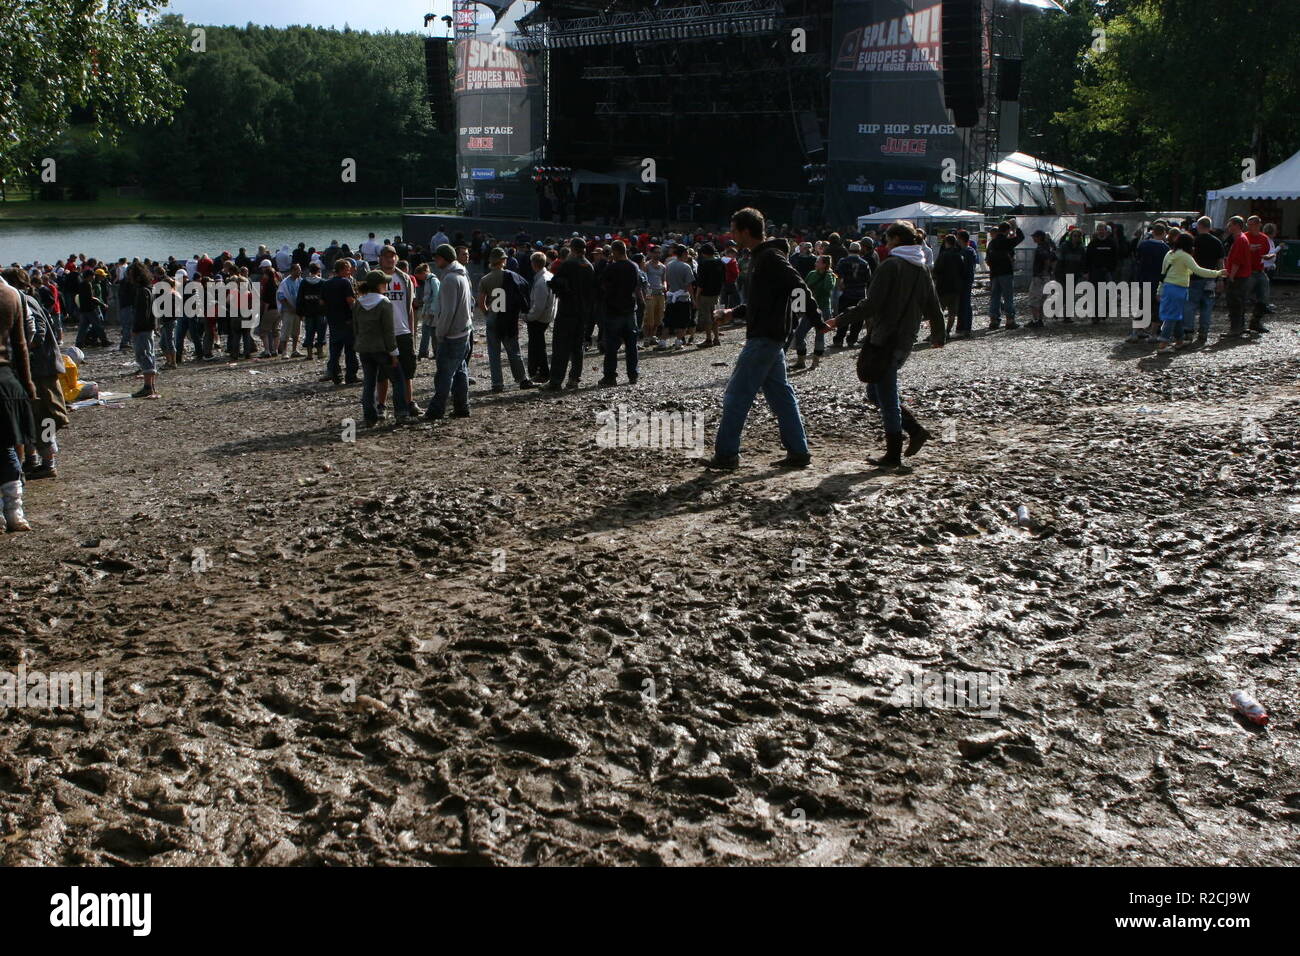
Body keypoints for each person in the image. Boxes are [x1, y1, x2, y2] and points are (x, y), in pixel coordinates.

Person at [704, 207, 813, 471]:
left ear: (745, 230)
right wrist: (733, 312)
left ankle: (727, 455)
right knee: (781, 396)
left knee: (736, 395)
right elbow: (761, 301)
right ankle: (798, 452)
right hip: (771, 337)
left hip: (764, 337)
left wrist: (817, 319)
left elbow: (798, 286)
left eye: (733, 230)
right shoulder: (763, 256)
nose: (731, 235)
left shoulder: (769, 257)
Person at [835, 220, 944, 472]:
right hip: (905, 339)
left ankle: (894, 453)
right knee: (877, 393)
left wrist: (838, 320)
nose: (884, 241)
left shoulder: (891, 266)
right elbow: (933, 305)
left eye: (887, 237)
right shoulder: (921, 267)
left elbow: (870, 305)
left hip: (885, 338)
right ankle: (915, 431)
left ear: (895, 239)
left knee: (885, 396)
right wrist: (938, 334)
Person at [352, 270, 413, 426]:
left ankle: (369, 417)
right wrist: (394, 352)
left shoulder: (359, 302)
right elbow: (388, 331)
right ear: (379, 285)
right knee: (398, 379)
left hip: (365, 349)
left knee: (369, 383)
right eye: (385, 282)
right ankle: (401, 413)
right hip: (383, 349)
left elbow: (355, 327)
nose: (387, 284)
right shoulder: (384, 302)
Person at [0, 276, 37, 530]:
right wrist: (28, 384)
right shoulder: (11, 294)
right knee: (7, 446)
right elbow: (21, 345)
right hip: (7, 381)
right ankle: (14, 512)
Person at [424, 244, 473, 419]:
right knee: (460, 371)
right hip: (464, 331)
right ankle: (462, 408)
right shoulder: (462, 275)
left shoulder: (450, 279)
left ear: (444, 258)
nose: (435, 261)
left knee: (444, 375)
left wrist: (440, 333)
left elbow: (448, 312)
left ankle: (436, 410)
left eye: (437, 257)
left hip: (452, 335)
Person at [541, 238, 596, 390]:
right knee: (577, 347)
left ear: (572, 249)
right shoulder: (590, 266)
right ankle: (574, 379)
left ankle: (556, 381)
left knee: (561, 347)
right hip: (583, 312)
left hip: (567, 310)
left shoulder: (569, 264)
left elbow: (556, 282)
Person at [1154, 233, 1225, 351]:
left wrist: (1159, 290)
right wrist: (1218, 273)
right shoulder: (1185, 257)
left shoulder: (1169, 254)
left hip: (1167, 287)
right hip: (1179, 289)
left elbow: (1163, 273)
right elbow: (1198, 270)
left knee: (1177, 316)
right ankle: (1163, 343)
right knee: (1172, 316)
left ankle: (1179, 340)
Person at [478, 247, 535, 393]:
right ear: (503, 261)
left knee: (493, 352)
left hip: (493, 316)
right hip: (508, 317)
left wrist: (487, 314)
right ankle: (522, 379)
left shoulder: (485, 279)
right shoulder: (512, 276)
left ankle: (497, 384)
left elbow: (481, 302)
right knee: (513, 350)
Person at [597, 239, 639, 386]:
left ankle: (610, 376)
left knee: (611, 347)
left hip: (614, 310)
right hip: (629, 309)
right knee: (631, 345)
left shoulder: (612, 268)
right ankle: (632, 374)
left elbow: (602, 285)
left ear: (614, 252)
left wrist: (609, 263)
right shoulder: (634, 266)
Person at [792, 255, 835, 370]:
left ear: (824, 264)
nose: (815, 263)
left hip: (824, 308)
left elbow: (828, 288)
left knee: (819, 336)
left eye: (818, 261)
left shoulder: (830, 276)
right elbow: (804, 288)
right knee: (799, 334)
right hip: (810, 308)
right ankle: (801, 361)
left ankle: (815, 362)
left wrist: (828, 275)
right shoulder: (811, 274)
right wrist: (799, 306)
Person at [321, 259, 360, 384]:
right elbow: (350, 301)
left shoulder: (326, 283)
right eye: (348, 268)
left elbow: (321, 302)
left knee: (335, 350)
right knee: (350, 349)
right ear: (343, 269)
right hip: (347, 320)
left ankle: (336, 375)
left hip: (333, 320)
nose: (350, 271)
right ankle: (351, 376)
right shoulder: (345, 282)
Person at [1185, 216, 1223, 345]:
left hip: (1194, 277)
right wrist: (1221, 279)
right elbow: (1220, 262)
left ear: (1199, 226)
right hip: (1211, 278)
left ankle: (1188, 332)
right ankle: (1203, 333)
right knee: (1207, 306)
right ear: (1210, 227)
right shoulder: (1217, 242)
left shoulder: (1194, 241)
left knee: (1190, 305)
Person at [128, 261, 161, 399]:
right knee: (150, 355)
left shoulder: (142, 291)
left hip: (143, 329)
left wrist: (135, 329)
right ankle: (151, 386)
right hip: (149, 328)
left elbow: (142, 313)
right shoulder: (150, 288)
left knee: (144, 355)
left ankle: (148, 387)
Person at [985, 219, 1024, 329]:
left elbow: (987, 259)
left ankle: (994, 320)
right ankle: (1010, 320)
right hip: (1005, 272)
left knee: (995, 297)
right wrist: (1016, 227)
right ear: (1007, 230)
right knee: (1008, 297)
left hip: (994, 273)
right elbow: (1021, 237)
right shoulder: (1006, 241)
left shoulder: (991, 243)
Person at [524, 251, 554, 382]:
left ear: (533, 264)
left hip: (539, 318)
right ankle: (539, 371)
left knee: (538, 346)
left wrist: (527, 317)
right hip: (547, 316)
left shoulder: (541, 282)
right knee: (539, 345)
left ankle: (543, 372)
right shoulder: (549, 276)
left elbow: (538, 306)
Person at [1222, 216, 1253, 339]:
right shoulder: (1241, 238)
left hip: (1238, 277)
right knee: (1240, 303)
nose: (1228, 227)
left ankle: (1235, 329)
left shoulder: (1240, 239)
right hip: (1242, 276)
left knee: (1234, 302)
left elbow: (1237, 261)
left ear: (1236, 225)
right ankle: (1240, 327)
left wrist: (1231, 277)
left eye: (1230, 224)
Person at [693, 243, 725, 348]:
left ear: (703, 253)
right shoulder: (721, 262)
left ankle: (708, 339)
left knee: (707, 318)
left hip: (705, 295)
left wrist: (697, 296)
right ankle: (716, 338)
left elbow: (701, 282)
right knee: (716, 316)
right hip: (717, 293)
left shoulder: (703, 264)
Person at [932, 235, 965, 336]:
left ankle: (937, 332)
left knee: (939, 311)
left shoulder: (943, 255)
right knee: (952, 313)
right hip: (955, 287)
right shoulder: (959, 255)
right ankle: (947, 331)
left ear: (946, 242)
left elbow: (936, 269)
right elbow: (962, 271)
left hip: (943, 286)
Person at [1244, 216, 1271, 333]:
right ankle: (1239, 324)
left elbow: (1265, 254)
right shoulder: (1244, 237)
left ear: (1258, 225)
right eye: (1248, 225)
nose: (1249, 227)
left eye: (1251, 225)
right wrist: (1249, 249)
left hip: (1260, 271)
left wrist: (1268, 257)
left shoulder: (1264, 238)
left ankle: (1255, 322)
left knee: (1264, 297)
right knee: (1243, 297)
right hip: (1247, 271)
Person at [296, 262, 328, 359]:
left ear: (309, 271)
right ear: (318, 271)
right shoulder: (323, 282)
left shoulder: (304, 282)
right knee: (321, 331)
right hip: (321, 311)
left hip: (308, 311)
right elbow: (326, 298)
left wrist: (300, 312)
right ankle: (320, 352)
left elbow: (300, 298)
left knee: (309, 332)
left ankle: (309, 354)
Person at [1027, 230, 1057, 329]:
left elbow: (1047, 260)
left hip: (1039, 276)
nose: (1033, 238)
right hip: (1046, 276)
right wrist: (1050, 272)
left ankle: (1036, 320)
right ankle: (1040, 319)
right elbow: (1054, 260)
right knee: (1042, 299)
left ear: (1040, 237)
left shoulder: (1041, 248)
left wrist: (1043, 271)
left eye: (1035, 236)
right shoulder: (1050, 247)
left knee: (1033, 298)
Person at [276, 263, 304, 357]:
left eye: (300, 269)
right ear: (292, 271)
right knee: (286, 331)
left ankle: (294, 350)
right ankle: (284, 352)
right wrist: (289, 307)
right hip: (288, 310)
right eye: (297, 270)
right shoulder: (285, 282)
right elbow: (281, 296)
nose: (299, 271)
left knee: (297, 331)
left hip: (298, 310)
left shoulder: (300, 281)